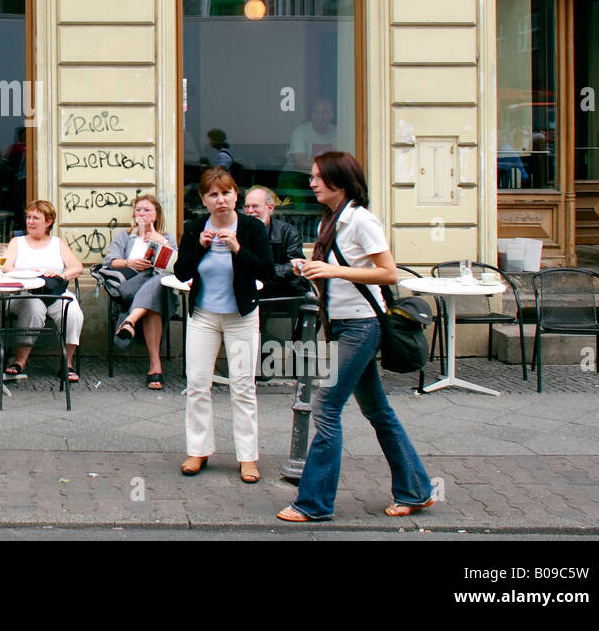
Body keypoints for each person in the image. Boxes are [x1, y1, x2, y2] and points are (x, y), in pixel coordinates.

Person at [277, 151, 434, 522]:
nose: (311, 182)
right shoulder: (330, 222)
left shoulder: (362, 221)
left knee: (326, 406)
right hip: (343, 324)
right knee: (379, 411)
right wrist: (310, 267)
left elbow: (389, 273)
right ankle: (416, 490)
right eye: (312, 176)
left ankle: (313, 503)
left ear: (340, 182)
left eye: (317, 177)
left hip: (363, 325)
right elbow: (335, 270)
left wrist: (334, 271)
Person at [173, 167, 275, 483]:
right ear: (204, 200)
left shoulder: (252, 228)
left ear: (236, 195)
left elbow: (267, 272)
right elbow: (180, 272)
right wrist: (200, 247)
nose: (221, 200)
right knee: (198, 383)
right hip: (203, 315)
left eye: (227, 193)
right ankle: (199, 450)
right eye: (214, 195)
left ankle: (247, 457)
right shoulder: (194, 229)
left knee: (243, 386)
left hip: (241, 317)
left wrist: (237, 249)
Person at [2, 200, 84, 382]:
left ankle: (67, 363)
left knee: (72, 312)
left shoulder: (57, 243)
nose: (30, 222)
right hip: (23, 293)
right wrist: (28, 274)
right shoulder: (17, 242)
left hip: (53, 292)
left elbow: (77, 267)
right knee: (34, 308)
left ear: (48, 222)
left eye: (36, 218)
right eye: (28, 217)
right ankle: (20, 361)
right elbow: (6, 267)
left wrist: (61, 274)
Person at [103, 194, 177, 391]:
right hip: (131, 287)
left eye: (147, 210)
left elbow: (176, 267)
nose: (141, 214)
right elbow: (110, 261)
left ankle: (153, 363)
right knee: (156, 281)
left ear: (156, 215)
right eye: (138, 210)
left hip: (158, 292)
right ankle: (133, 323)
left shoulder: (166, 237)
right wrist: (130, 263)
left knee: (158, 287)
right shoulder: (125, 236)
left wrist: (161, 241)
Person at [243, 186, 308, 299]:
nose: (250, 211)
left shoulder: (288, 233)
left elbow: (295, 268)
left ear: (270, 208)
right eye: (247, 207)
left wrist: (260, 271)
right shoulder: (239, 232)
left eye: (255, 206)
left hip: (281, 296)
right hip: (248, 295)